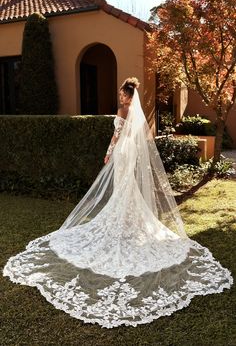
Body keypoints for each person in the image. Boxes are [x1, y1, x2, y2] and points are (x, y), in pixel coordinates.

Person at [3, 77, 233, 329]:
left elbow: (116, 135)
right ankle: (129, 218)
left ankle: (124, 217)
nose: (121, 97)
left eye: (122, 94)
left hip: (122, 153)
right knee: (128, 187)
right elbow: (143, 137)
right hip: (131, 154)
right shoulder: (137, 113)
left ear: (127, 95)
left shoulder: (123, 111)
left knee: (123, 187)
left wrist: (108, 153)